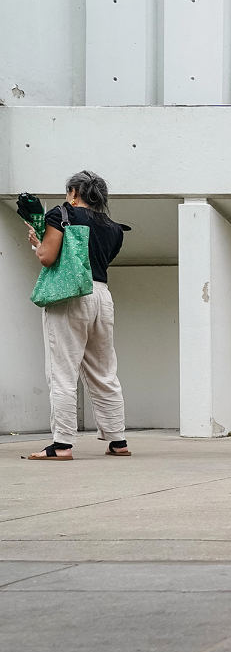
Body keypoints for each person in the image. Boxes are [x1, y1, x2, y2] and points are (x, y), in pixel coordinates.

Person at [24, 171, 129, 461]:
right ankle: (118, 440)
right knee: (104, 371)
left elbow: (47, 257)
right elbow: (95, 260)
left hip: (70, 296)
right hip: (101, 296)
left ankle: (61, 444)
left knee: (62, 372)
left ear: (73, 192)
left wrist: (37, 242)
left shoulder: (62, 214)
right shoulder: (113, 227)